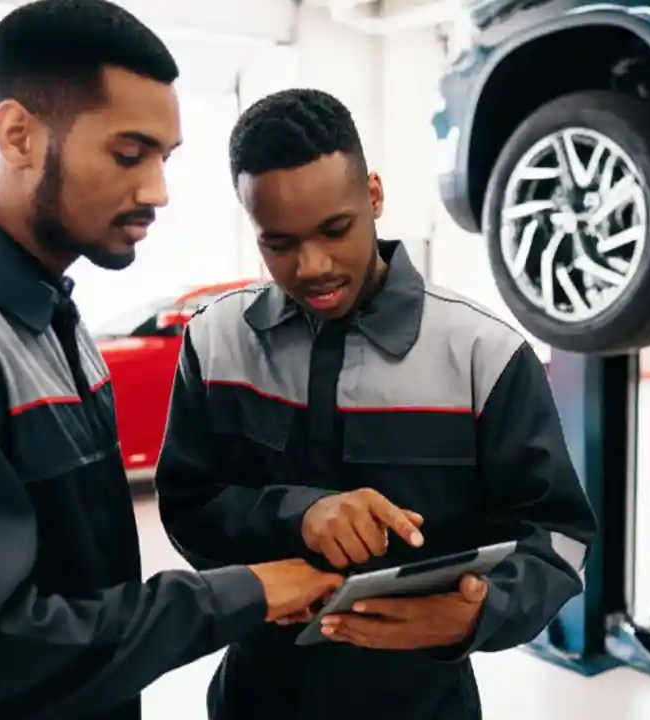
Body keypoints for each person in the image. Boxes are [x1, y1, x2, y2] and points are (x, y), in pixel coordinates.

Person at [0, 3, 341, 719]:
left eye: (165, 159)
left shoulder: (52, 322)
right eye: (128, 153)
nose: (157, 192)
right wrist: (244, 593)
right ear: (18, 135)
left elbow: (76, 598)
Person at [153, 88, 599, 720]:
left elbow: (558, 536)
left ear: (375, 196)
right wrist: (297, 518)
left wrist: (478, 612)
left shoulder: (483, 354)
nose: (313, 266)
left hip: (422, 705)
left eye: (336, 230)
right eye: (278, 243)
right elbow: (186, 502)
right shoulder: (214, 341)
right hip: (255, 700)